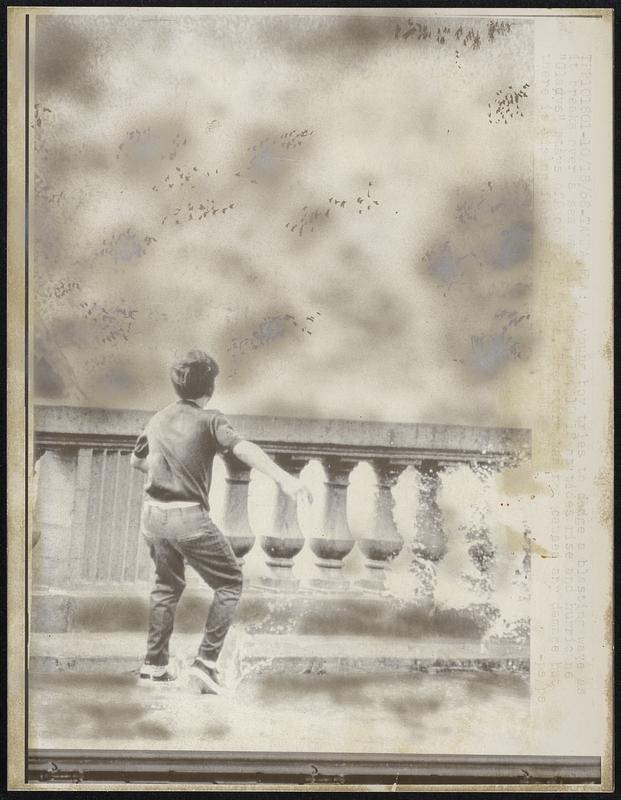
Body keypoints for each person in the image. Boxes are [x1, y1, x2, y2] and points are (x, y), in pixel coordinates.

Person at [130, 349, 312, 694]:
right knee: (229, 583)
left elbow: (137, 462)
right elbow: (244, 449)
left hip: (153, 516)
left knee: (166, 587)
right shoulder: (211, 419)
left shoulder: (156, 419)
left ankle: (154, 666)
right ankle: (206, 664)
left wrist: (169, 468)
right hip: (187, 517)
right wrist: (284, 479)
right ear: (209, 388)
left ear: (176, 386)